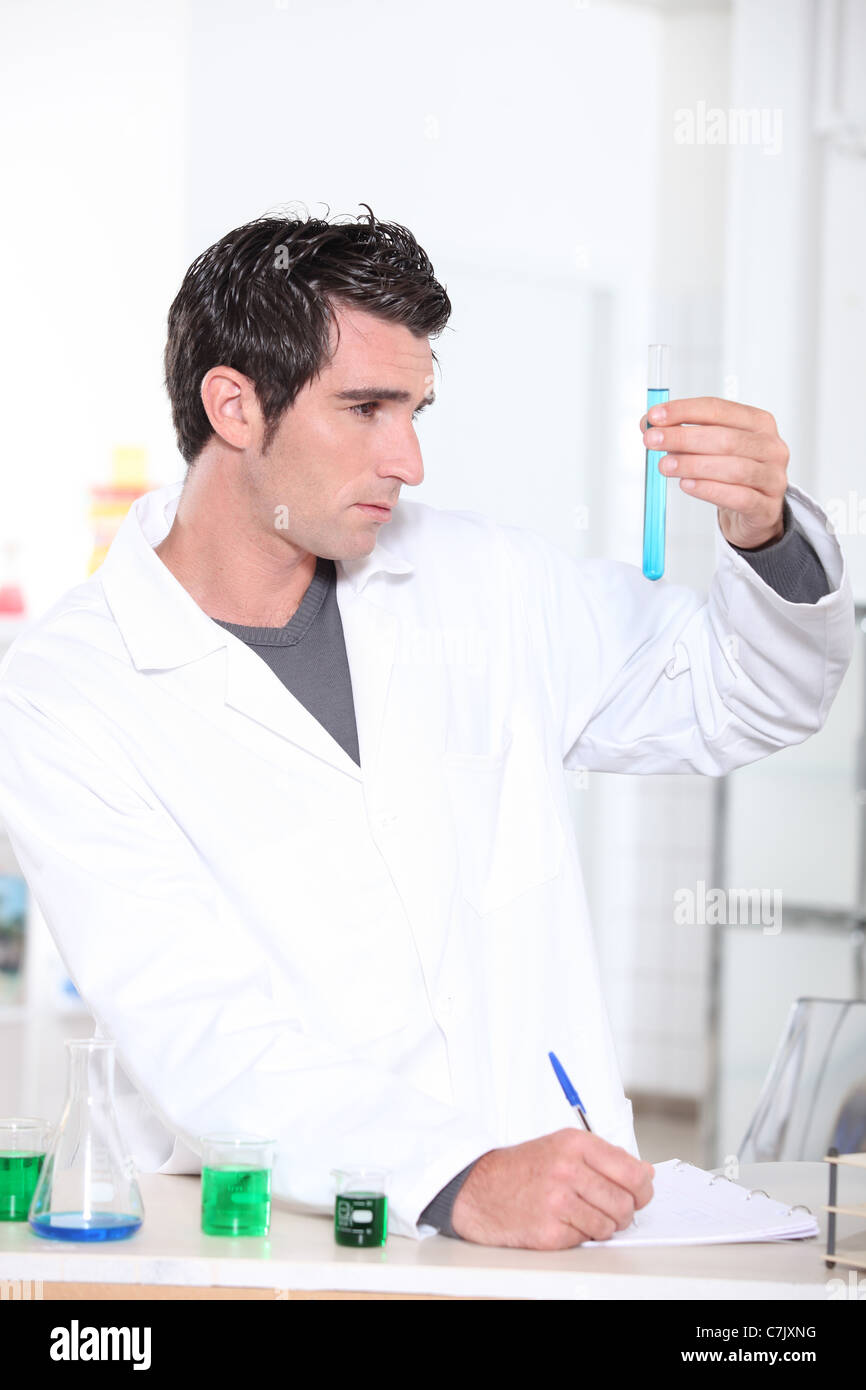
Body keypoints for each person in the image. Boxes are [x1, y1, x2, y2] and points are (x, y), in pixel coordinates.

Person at [0, 208, 854, 1248]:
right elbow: (198, 1025)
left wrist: (761, 532)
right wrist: (452, 1174)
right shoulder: (69, 689)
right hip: (282, 1233)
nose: (407, 459)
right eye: (364, 408)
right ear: (232, 403)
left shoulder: (482, 584)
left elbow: (739, 695)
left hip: (569, 1224)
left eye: (415, 409)